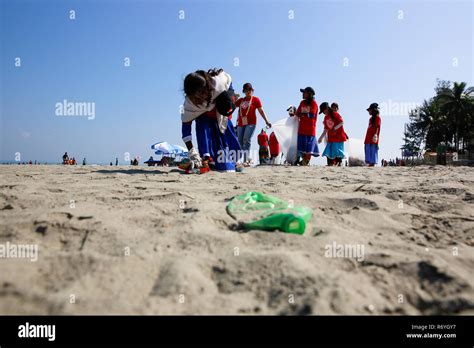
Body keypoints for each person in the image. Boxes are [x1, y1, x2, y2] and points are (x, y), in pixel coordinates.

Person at [181, 68, 241, 172]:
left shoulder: (218, 83)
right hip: (204, 118)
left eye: (201, 94)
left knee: (228, 136)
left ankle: (235, 160)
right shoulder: (189, 105)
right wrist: (192, 152)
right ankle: (207, 158)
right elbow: (186, 128)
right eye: (194, 97)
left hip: (221, 111)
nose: (198, 99)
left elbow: (228, 79)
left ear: (206, 88)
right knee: (202, 124)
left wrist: (229, 96)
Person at [235, 83, 271, 165]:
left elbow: (261, 110)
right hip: (241, 123)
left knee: (246, 139)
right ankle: (241, 159)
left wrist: (266, 120)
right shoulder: (241, 100)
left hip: (251, 123)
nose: (248, 92)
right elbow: (232, 106)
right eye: (246, 90)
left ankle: (246, 160)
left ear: (252, 90)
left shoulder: (255, 100)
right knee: (240, 141)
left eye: (249, 90)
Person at [293, 87, 319, 165]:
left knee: (309, 147)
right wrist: (303, 115)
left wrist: (303, 114)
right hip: (301, 129)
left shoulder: (314, 103)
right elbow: (297, 113)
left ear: (309, 94)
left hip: (310, 130)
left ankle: (306, 161)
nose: (303, 94)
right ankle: (304, 161)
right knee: (302, 146)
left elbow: (311, 115)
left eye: (304, 93)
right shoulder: (302, 103)